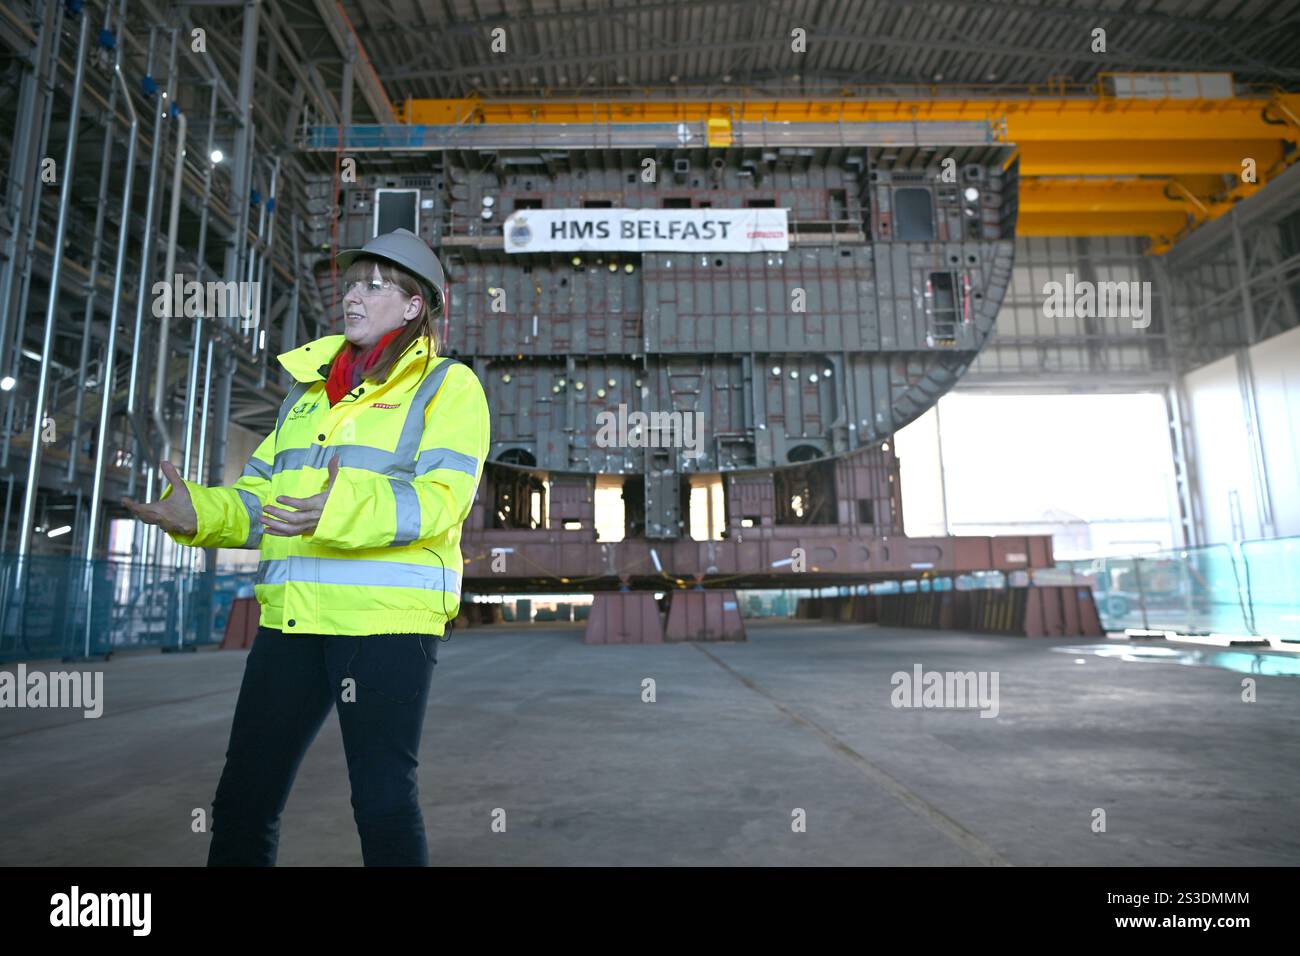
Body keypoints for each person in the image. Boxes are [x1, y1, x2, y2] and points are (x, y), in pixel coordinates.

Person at [122, 228, 490, 866]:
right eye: (351, 282)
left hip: (385, 627)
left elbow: (440, 500)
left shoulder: (447, 389)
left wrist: (339, 507)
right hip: (291, 618)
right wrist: (198, 512)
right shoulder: (307, 392)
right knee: (243, 798)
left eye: (374, 285)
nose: (352, 295)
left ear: (413, 307)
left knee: (381, 802)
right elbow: (263, 499)